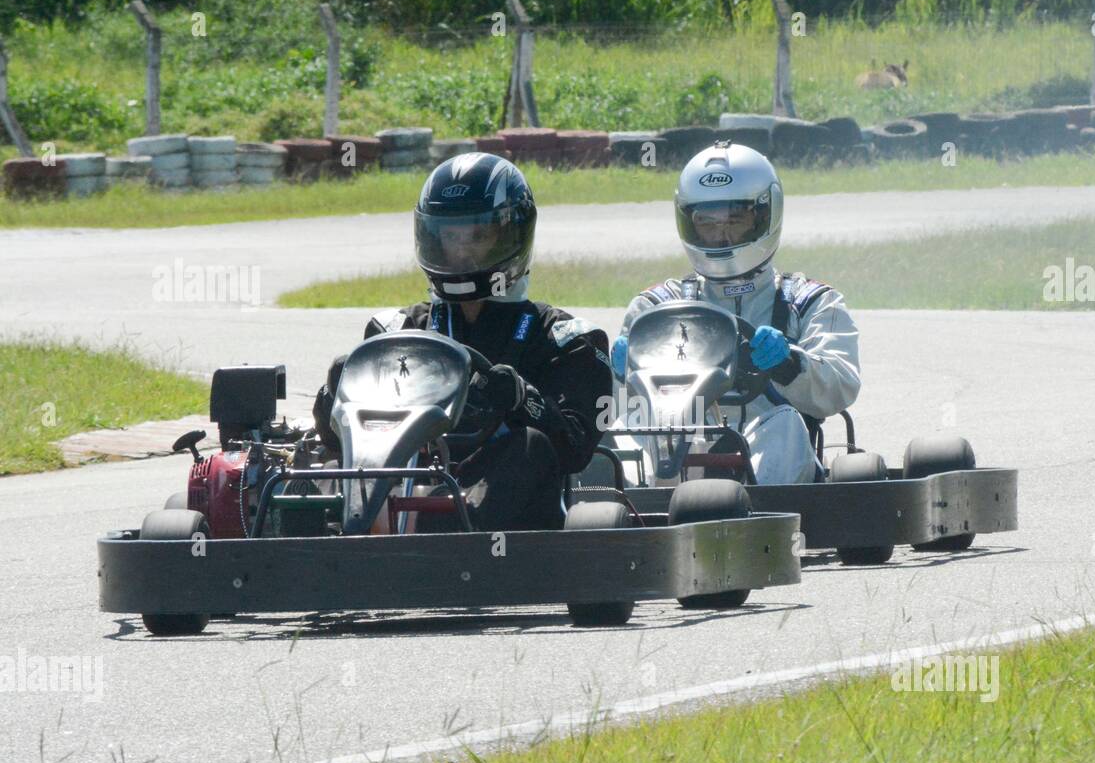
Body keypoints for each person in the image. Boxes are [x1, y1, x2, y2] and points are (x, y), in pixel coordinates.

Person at [311, 153, 612, 530]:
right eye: (450, 236)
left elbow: (575, 449)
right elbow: (340, 442)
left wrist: (524, 400)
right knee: (324, 469)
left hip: (511, 519)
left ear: (513, 234)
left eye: (477, 236)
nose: (461, 251)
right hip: (401, 484)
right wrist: (333, 399)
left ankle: (441, 533)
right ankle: (319, 542)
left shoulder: (566, 340)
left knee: (530, 445)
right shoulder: (395, 330)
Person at [610, 141, 860, 484]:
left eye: (734, 220)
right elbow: (613, 404)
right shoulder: (656, 307)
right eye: (707, 223)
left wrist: (791, 364)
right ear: (688, 221)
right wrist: (621, 374)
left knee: (786, 423)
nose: (721, 234)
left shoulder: (808, 302)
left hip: (765, 452)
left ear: (764, 215)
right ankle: (626, 515)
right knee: (632, 425)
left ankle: (757, 518)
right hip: (680, 450)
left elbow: (841, 384)